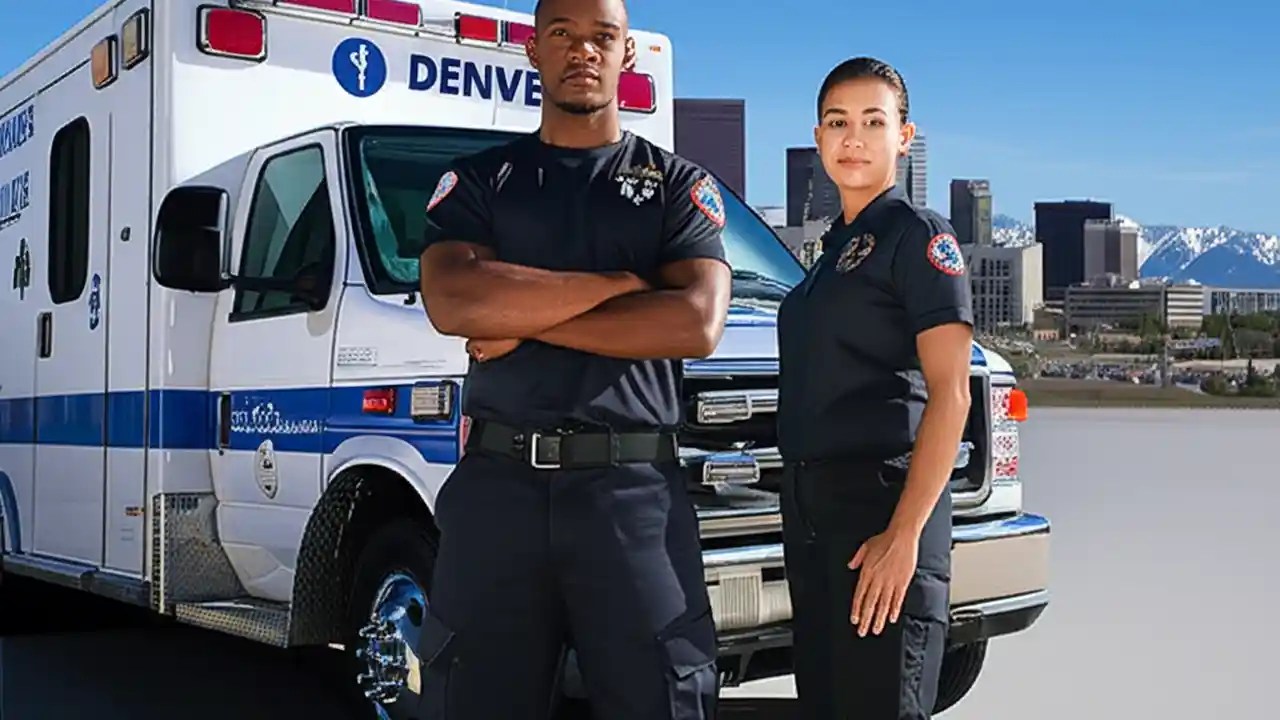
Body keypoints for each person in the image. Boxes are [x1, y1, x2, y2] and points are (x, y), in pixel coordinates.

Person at [413, 0, 733, 717]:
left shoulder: (677, 186)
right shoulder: (480, 182)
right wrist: (625, 284)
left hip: (632, 498)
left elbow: (695, 322)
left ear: (626, 54)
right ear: (533, 49)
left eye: (602, 37)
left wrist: (525, 321)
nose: (583, 51)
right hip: (499, 493)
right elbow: (454, 300)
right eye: (562, 34)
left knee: (663, 698)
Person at [776, 56, 975, 719]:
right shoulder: (832, 251)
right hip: (814, 519)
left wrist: (904, 536)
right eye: (838, 122)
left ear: (905, 136)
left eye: (872, 121)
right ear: (818, 136)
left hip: (883, 511)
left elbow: (952, 394)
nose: (853, 138)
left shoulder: (918, 237)